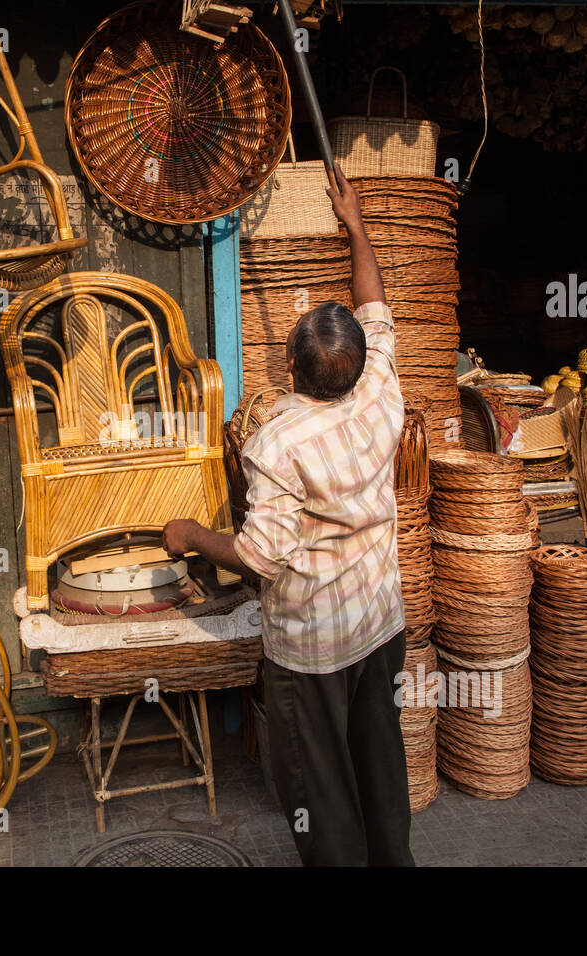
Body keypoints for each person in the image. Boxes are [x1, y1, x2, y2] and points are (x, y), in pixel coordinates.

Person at [162, 166, 413, 866]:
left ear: (290, 366)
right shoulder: (382, 390)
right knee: (380, 762)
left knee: (319, 788)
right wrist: (355, 225)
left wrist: (192, 536)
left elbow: (260, 556)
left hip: (314, 650)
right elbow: (375, 305)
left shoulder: (277, 443)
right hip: (380, 625)